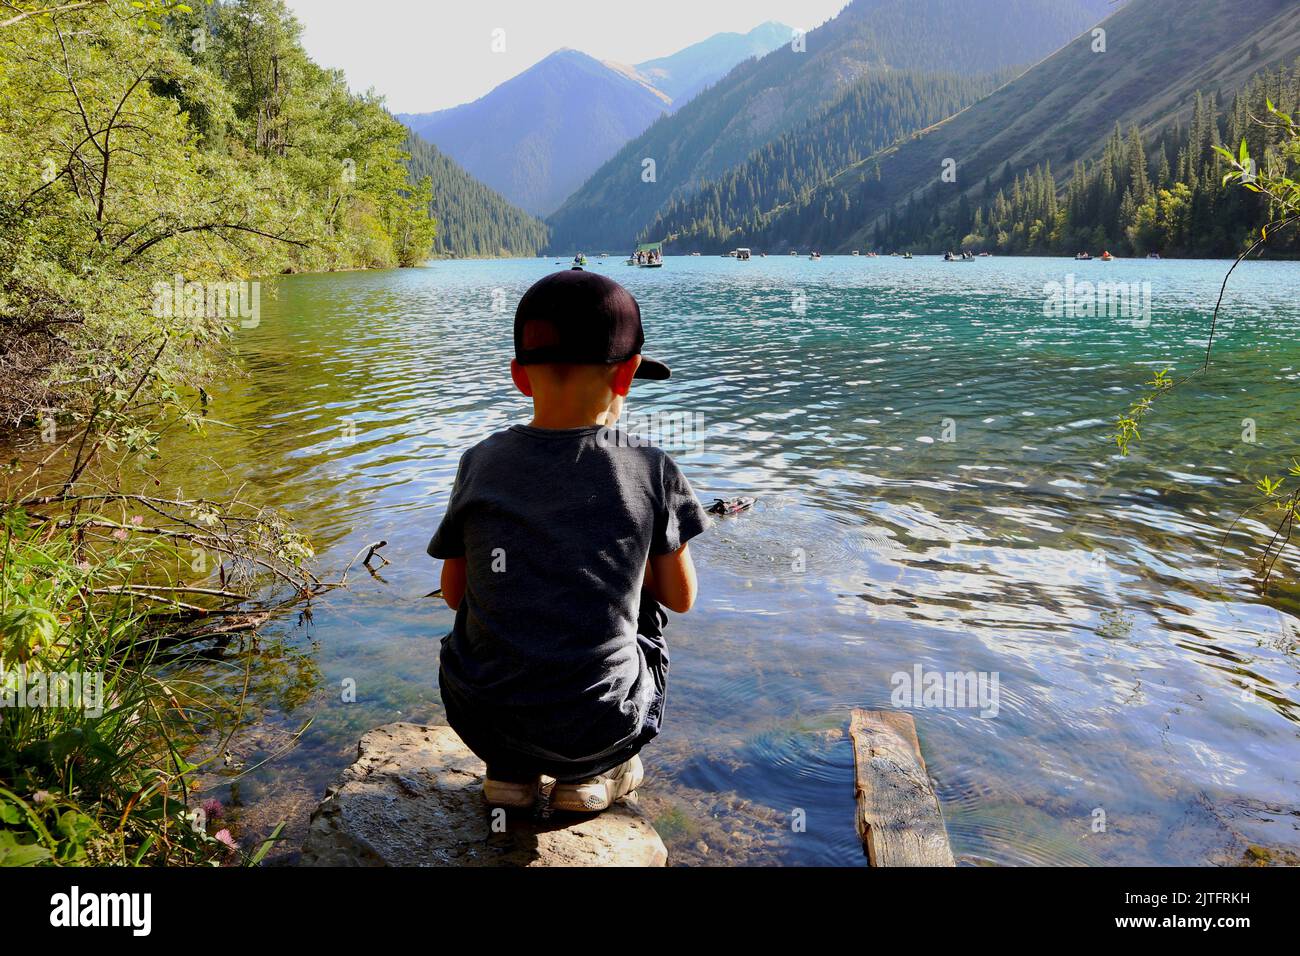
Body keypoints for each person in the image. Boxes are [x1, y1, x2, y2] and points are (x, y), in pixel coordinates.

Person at [428, 269, 709, 813]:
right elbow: (681, 598)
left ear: (519, 376)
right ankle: (593, 773)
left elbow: (455, 595)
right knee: (645, 613)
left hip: (484, 719)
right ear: (627, 375)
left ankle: (509, 776)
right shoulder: (651, 468)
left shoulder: (479, 462)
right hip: (600, 723)